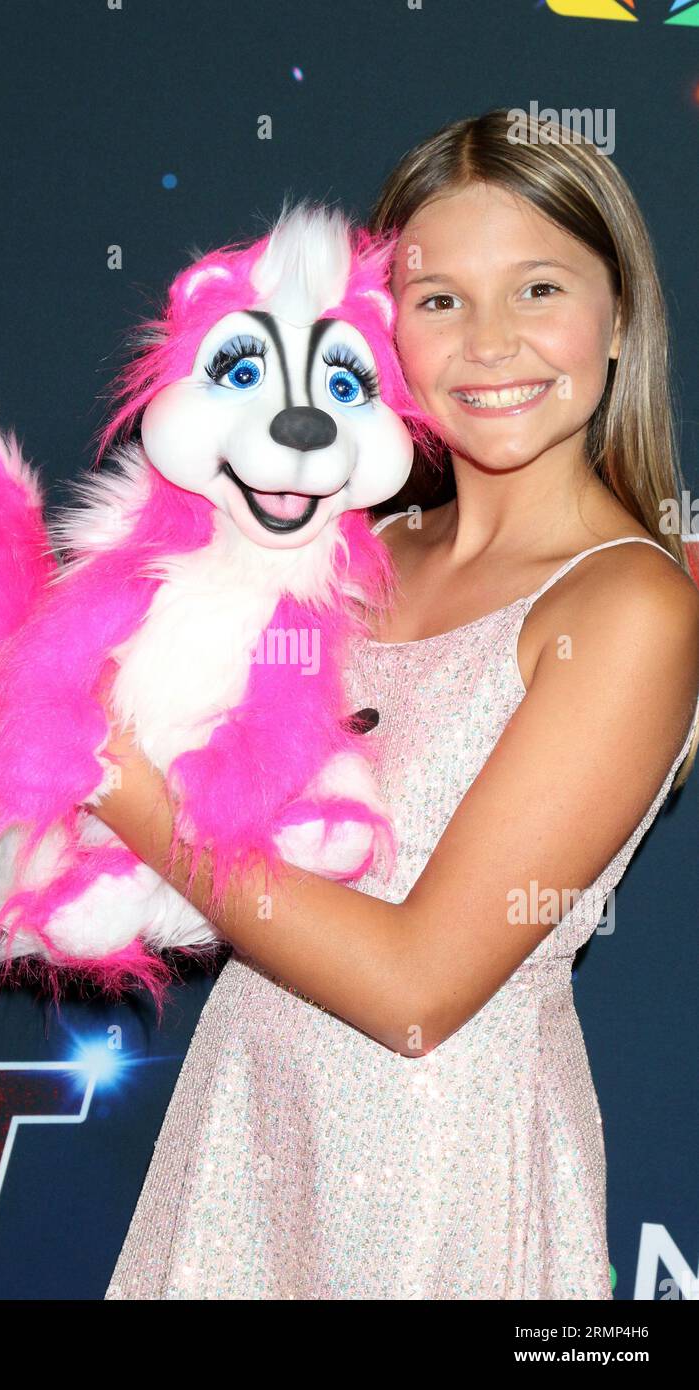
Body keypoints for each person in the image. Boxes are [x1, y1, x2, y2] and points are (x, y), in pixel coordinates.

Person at [95, 109, 699, 1300]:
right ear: (379, 337)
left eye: (536, 288)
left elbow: (418, 991)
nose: (488, 344)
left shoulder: (633, 603)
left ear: (618, 314)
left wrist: (117, 786)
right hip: (245, 1139)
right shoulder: (340, 548)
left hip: (436, 1186)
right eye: (437, 301)